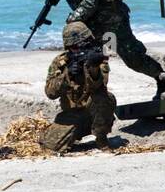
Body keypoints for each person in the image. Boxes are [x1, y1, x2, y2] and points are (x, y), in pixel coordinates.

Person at [41, 22, 116, 152]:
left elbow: (101, 84)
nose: (79, 50)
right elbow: (50, 93)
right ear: (68, 47)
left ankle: (101, 139)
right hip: (72, 114)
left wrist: (92, 67)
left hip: (95, 112)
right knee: (51, 147)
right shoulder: (60, 62)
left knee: (104, 97)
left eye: (84, 44)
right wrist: (67, 74)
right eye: (74, 47)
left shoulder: (96, 58)